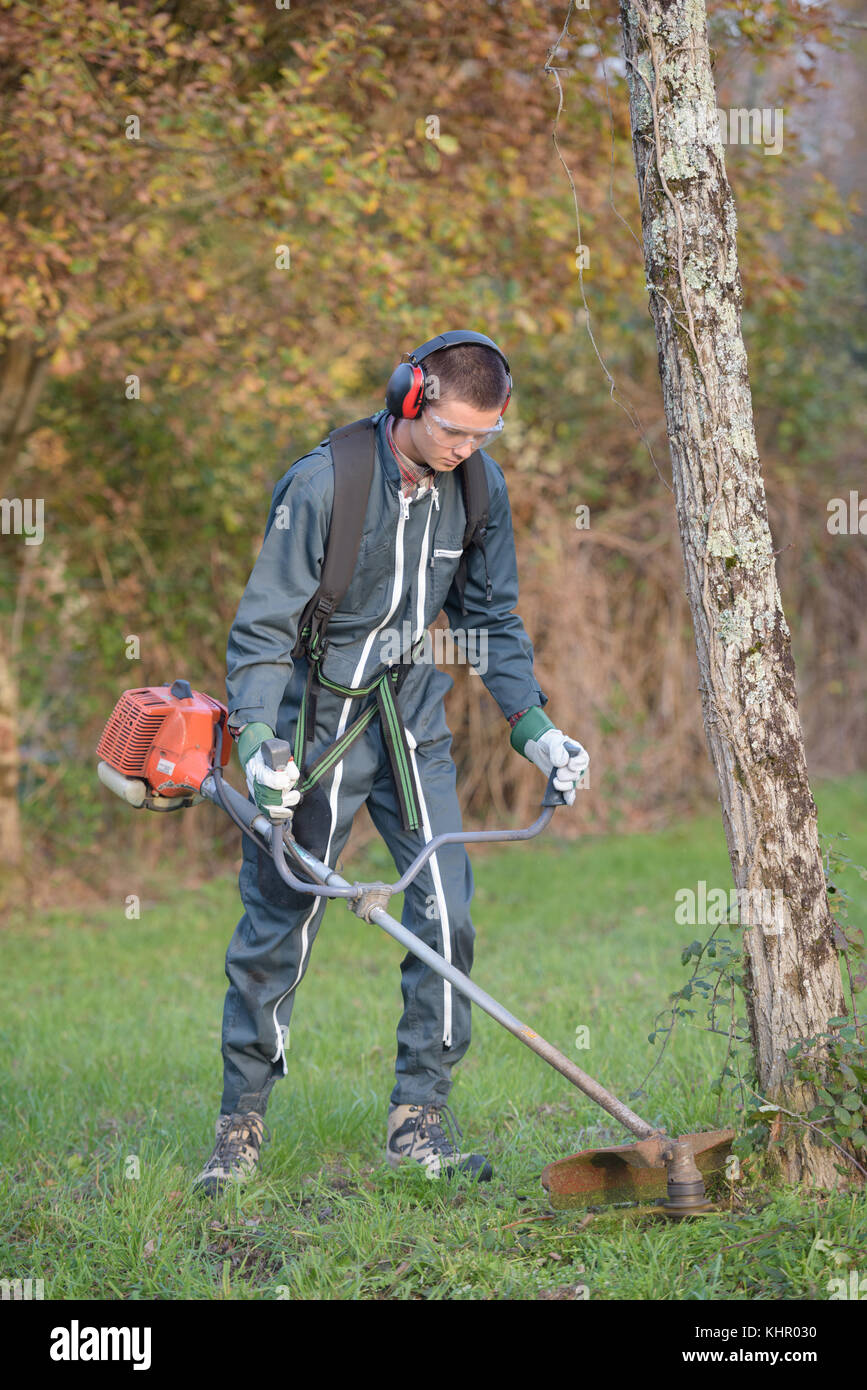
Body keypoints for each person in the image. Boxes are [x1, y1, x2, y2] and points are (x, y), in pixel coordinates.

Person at [193, 331, 590, 1195]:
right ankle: (239, 1126)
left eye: (483, 436)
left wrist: (534, 727)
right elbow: (261, 631)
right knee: (282, 921)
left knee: (446, 914)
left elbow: (491, 618)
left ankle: (419, 1123)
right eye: (453, 431)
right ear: (409, 396)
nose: (464, 450)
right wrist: (256, 744)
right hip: (317, 723)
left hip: (412, 720)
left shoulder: (477, 488)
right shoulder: (325, 483)